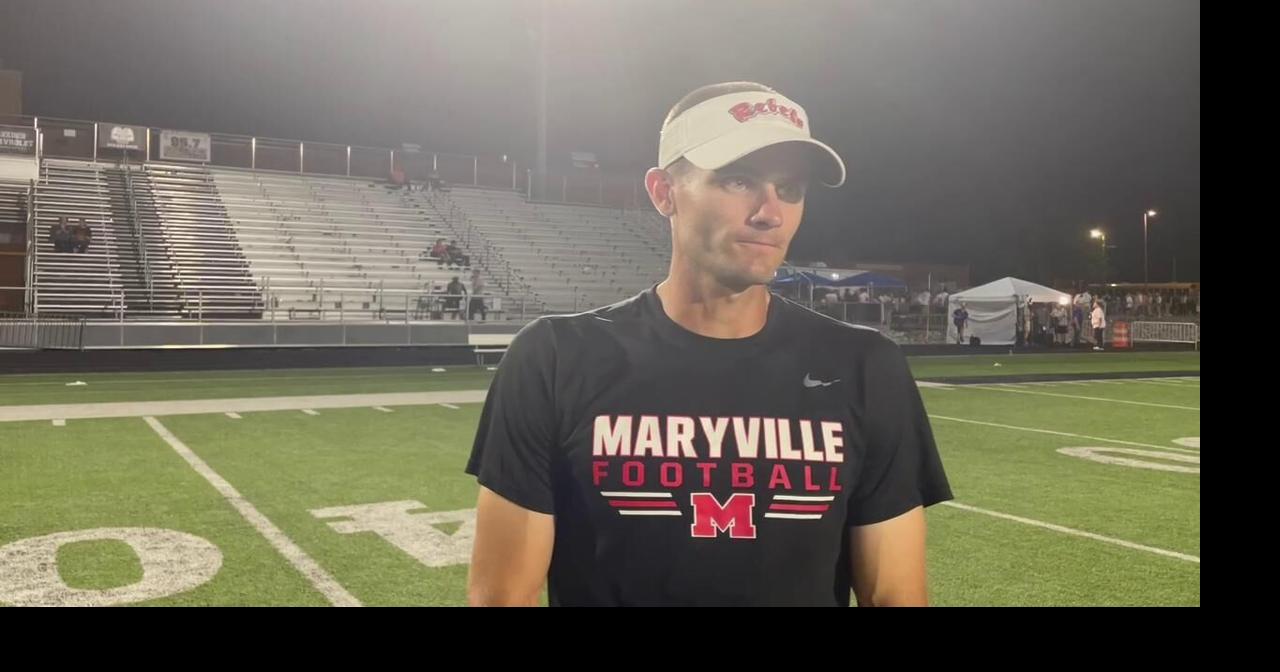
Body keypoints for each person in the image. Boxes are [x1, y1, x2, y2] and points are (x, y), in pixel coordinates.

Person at [465, 82, 951, 607]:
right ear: (663, 191)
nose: (770, 212)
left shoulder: (865, 366)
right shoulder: (554, 358)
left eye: (790, 189)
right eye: (738, 180)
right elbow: (503, 596)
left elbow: (896, 594)